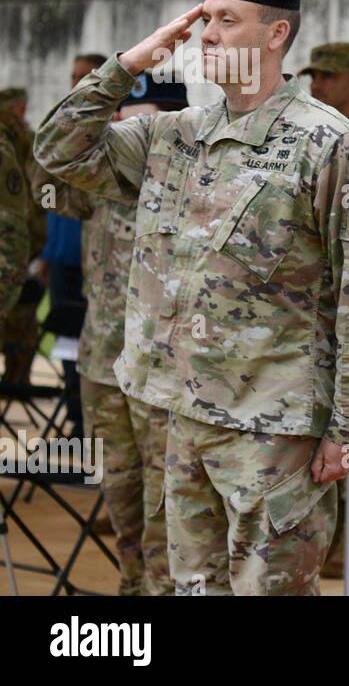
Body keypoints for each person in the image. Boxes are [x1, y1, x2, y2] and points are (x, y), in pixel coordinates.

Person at [34, 0, 349, 595]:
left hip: (273, 429)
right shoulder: (172, 135)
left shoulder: (329, 145)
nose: (207, 34)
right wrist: (130, 65)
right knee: (191, 588)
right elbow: (58, 149)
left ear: (275, 35)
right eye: (203, 18)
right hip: (181, 416)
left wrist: (346, 429)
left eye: (227, 20)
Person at [34, 72, 188, 595]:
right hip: (102, 363)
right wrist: (90, 117)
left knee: (165, 495)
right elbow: (48, 172)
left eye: (131, 114)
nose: (119, 123)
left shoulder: (195, 181)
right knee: (120, 489)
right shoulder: (99, 183)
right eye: (119, 114)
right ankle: (132, 585)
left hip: (164, 373)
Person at [0, 86, 46, 389]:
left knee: (22, 326)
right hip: (20, 255)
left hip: (18, 257)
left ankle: (18, 380)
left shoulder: (23, 144)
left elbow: (18, 218)